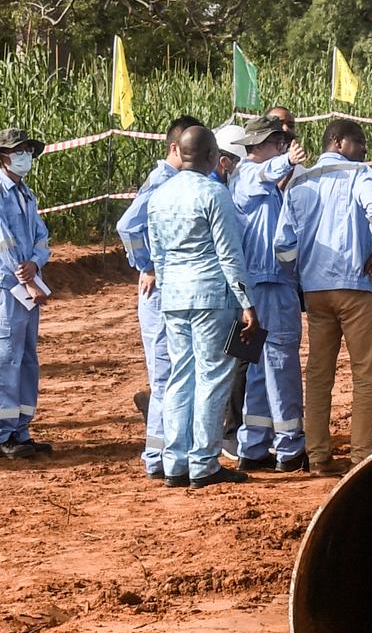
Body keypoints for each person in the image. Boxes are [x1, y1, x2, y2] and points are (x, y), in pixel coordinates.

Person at [274, 118, 372, 474]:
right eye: (360, 143)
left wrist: (303, 273)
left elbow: (283, 245)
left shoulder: (301, 181)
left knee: (319, 373)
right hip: (358, 286)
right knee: (367, 373)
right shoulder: (360, 175)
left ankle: (319, 457)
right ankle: (360, 457)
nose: (365, 151)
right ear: (339, 142)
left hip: (316, 291)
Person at [147, 125, 259, 488]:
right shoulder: (215, 193)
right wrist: (247, 302)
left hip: (174, 297)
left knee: (180, 376)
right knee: (212, 377)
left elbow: (158, 257)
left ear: (179, 151)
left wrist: (166, 291)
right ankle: (204, 463)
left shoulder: (159, 196)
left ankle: (175, 461)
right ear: (212, 156)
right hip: (212, 296)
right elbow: (230, 254)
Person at [116, 116, 203, 477]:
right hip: (159, 290)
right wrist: (147, 264)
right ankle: (157, 457)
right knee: (166, 375)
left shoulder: (180, 180)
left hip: (174, 288)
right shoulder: (162, 181)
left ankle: (167, 453)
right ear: (174, 148)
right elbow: (127, 225)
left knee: (176, 373)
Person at [232, 115, 308, 472]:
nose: (281, 146)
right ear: (259, 146)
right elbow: (266, 173)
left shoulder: (257, 180)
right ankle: (290, 448)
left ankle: (254, 445)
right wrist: (288, 161)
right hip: (272, 285)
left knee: (261, 368)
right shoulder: (249, 174)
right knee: (281, 366)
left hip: (259, 284)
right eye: (276, 142)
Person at [0, 127, 52, 459]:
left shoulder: (26, 193)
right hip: (4, 291)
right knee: (4, 363)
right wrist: (26, 275)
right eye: (18, 151)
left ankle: (21, 428)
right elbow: (1, 243)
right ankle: (0, 433)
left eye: (27, 151)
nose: (24, 157)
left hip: (27, 291)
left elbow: (41, 236)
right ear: (2, 157)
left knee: (27, 362)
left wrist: (35, 262)